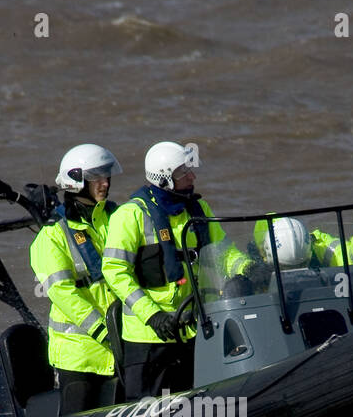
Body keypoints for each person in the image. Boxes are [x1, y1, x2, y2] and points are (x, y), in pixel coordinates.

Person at [102, 141, 250, 398]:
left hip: (193, 331)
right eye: (183, 173)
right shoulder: (129, 216)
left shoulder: (198, 209)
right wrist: (152, 316)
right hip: (149, 338)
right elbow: (115, 271)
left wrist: (247, 267)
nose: (192, 176)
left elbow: (223, 250)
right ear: (165, 180)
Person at [28, 144, 122, 413]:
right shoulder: (52, 236)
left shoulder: (116, 218)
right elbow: (63, 293)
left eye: (107, 176)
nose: (105, 183)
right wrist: (102, 331)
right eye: (96, 178)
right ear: (77, 181)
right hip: (80, 356)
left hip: (120, 346)